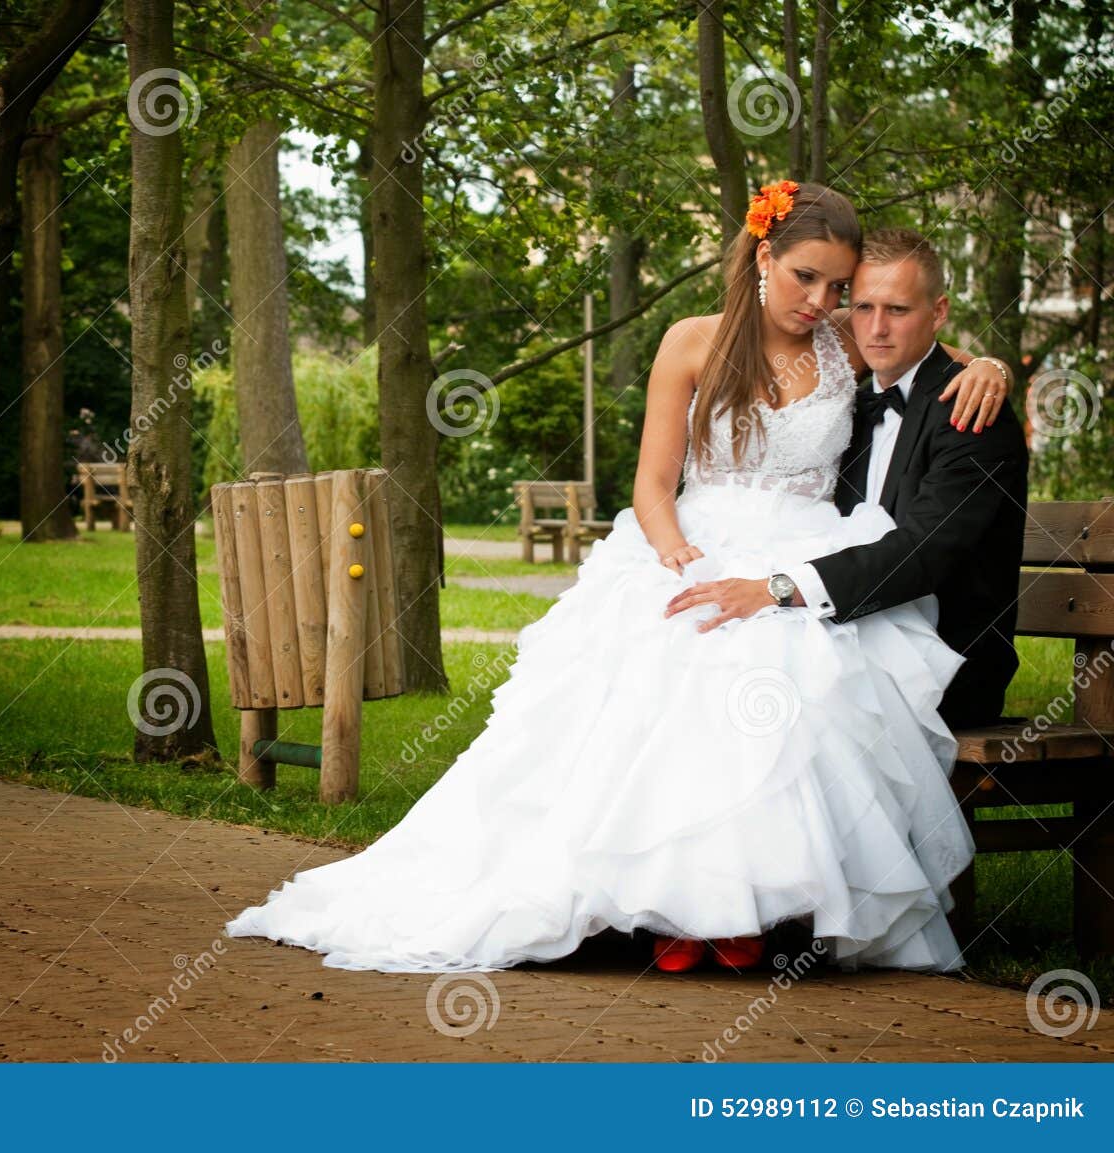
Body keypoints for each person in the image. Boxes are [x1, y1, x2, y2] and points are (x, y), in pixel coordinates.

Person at [224, 182, 1014, 976]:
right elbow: (651, 482)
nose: (825, 300)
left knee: (781, 683)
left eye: (837, 286)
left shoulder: (842, 339)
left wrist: (990, 362)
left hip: (801, 551)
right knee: (668, 665)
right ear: (764, 255)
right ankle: (652, 905)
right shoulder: (693, 341)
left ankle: (733, 909)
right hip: (691, 544)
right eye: (807, 277)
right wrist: (678, 554)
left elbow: (908, 330)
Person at [665, 228, 1028, 731]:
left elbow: (923, 552)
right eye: (862, 308)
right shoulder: (851, 405)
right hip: (856, 624)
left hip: (940, 661)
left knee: (777, 697)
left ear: (939, 312)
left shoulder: (971, 414)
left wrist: (777, 590)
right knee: (708, 673)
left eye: (897, 311)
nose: (876, 329)